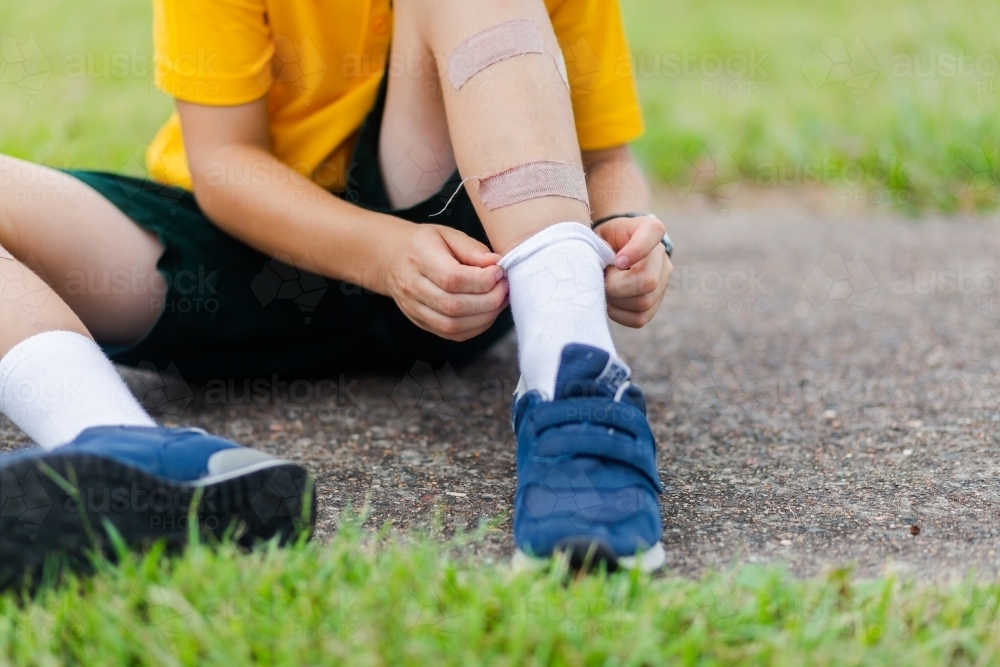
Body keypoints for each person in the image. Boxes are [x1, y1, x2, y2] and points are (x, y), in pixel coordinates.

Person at [0, 0, 672, 577]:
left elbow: (602, 155)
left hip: (457, 255)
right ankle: (119, 448)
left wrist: (616, 225)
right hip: (248, 254)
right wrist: (379, 253)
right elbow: (225, 161)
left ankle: (575, 380)